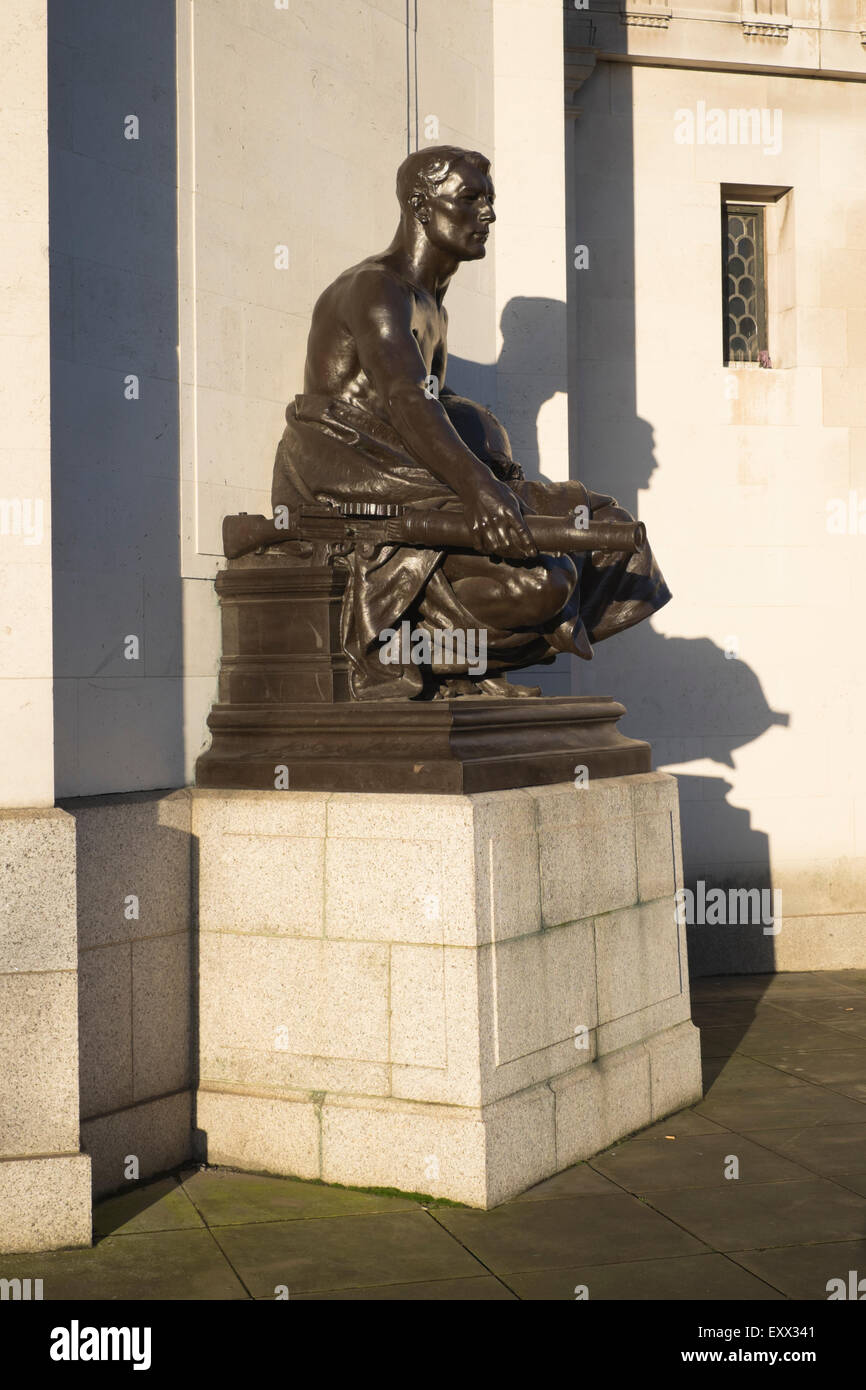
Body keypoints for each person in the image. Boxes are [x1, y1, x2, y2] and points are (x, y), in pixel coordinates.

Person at [272, 145, 670, 700]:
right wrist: (481, 490)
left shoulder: (433, 303)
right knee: (543, 587)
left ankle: (454, 662)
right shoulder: (376, 289)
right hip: (355, 473)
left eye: (490, 200)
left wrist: (488, 461)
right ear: (419, 205)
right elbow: (407, 400)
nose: (488, 214)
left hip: (415, 469)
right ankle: (431, 658)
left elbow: (432, 401)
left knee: (606, 529)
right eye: (470, 199)